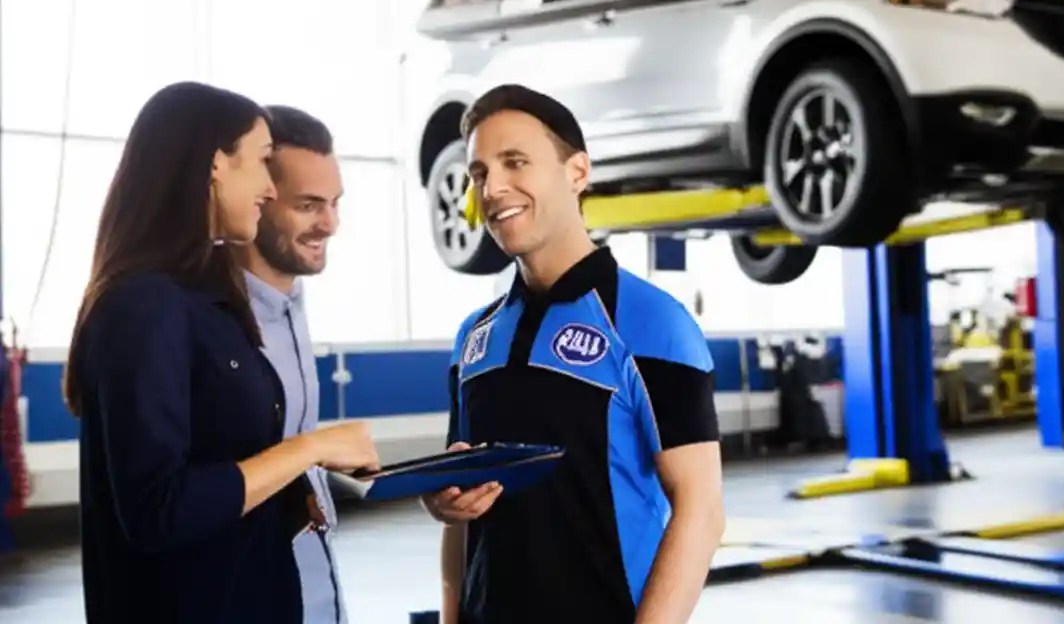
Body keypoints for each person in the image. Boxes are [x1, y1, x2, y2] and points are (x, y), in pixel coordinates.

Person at [64, 81, 380, 624]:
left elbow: (218, 466)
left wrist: (285, 499)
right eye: (260, 163)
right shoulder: (145, 305)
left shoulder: (206, 302)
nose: (266, 187)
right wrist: (308, 450)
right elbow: (157, 509)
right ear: (215, 164)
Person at [421, 84, 726, 624]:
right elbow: (461, 509)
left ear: (577, 172)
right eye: (479, 173)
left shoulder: (652, 323)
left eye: (515, 162)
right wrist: (445, 505)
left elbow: (700, 512)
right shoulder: (474, 338)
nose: (493, 188)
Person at [239, 105, 347, 624]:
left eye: (334, 203)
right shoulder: (210, 325)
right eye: (309, 205)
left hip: (318, 594)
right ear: (259, 197)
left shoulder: (294, 302)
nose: (330, 223)